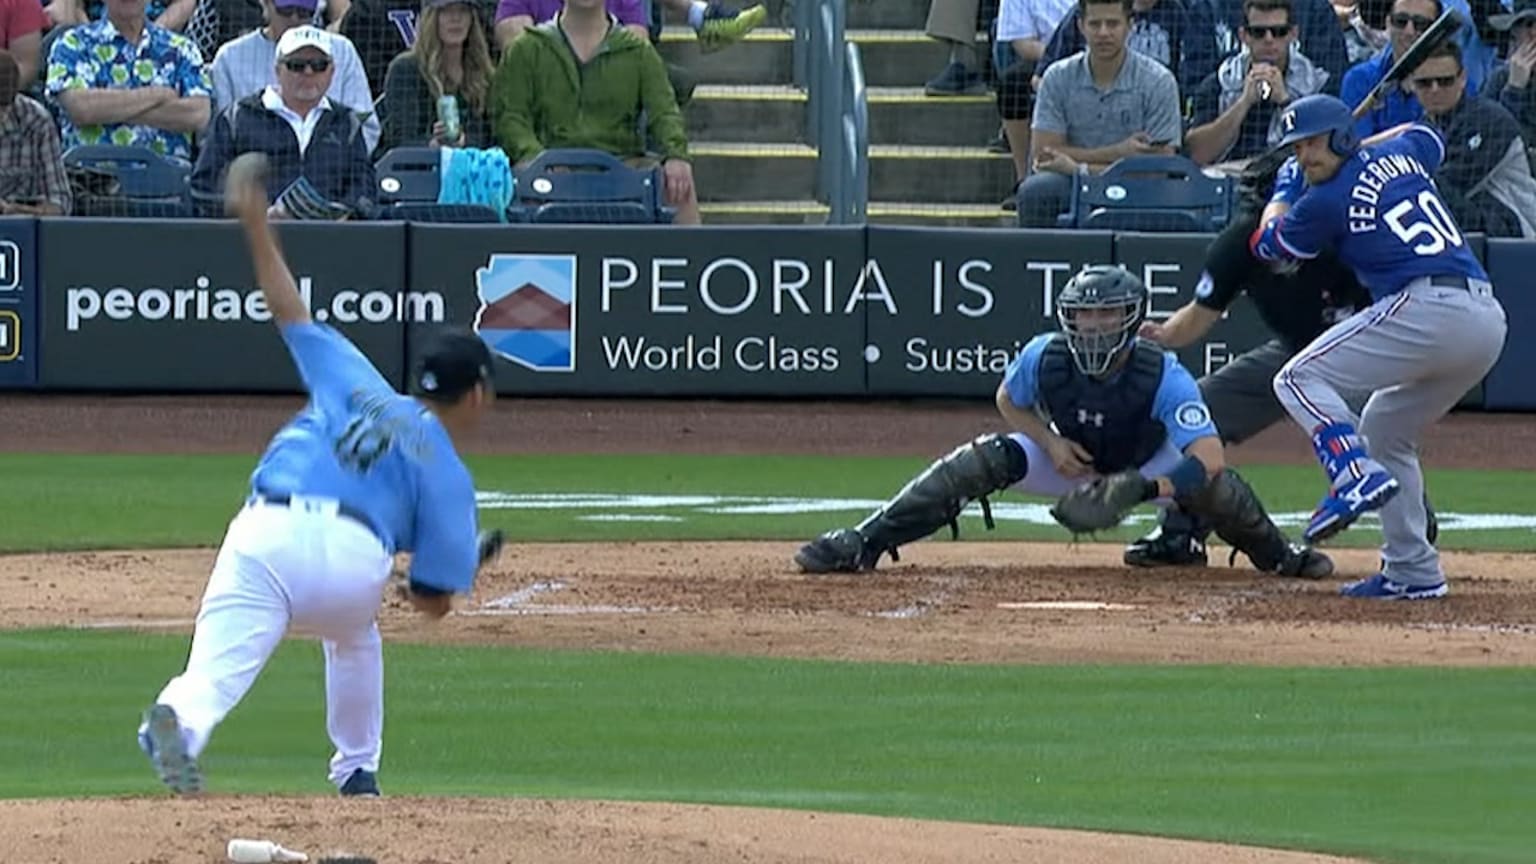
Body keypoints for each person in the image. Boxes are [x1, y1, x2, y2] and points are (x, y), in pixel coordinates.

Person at [137, 151, 500, 796]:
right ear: (474, 396)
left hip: (263, 530)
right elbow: (433, 603)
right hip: (351, 556)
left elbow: (289, 309)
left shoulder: (356, 376)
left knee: (217, 665)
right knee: (355, 637)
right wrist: (423, 589)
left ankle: (182, 721)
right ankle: (356, 770)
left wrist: (254, 222)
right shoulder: (445, 468)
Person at [794, 266, 1332, 582]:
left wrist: (1144, 487)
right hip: (1071, 461)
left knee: (1218, 487)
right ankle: (864, 542)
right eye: (1083, 315)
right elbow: (1009, 399)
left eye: (1106, 314)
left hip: (1145, 466)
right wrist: (1049, 443)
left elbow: (1209, 456)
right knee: (980, 458)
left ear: (1131, 317)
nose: (1093, 326)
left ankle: (1274, 556)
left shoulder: (1162, 371)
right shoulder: (1044, 356)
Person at [1123, 151, 1439, 566]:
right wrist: (1164, 334)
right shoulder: (1240, 244)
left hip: (1359, 358)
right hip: (1292, 356)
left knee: (1380, 440)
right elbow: (1199, 315)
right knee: (1194, 414)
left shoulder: (1345, 229)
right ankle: (1182, 533)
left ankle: (1412, 543)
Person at [1250, 93, 1508, 599]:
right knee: (1384, 425)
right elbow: (1427, 135)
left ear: (1343, 136)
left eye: (1312, 144)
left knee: (1297, 377)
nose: (1304, 157)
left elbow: (1267, 244)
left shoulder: (1321, 200)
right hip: (1484, 321)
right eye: (1297, 150)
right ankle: (1413, 569)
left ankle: (1349, 472)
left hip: (1428, 306)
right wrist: (1352, 146)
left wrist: (1284, 188)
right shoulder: (1405, 153)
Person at [492, 0, 700, 224]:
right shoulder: (528, 48)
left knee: (679, 185)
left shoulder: (638, 51)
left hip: (623, 163)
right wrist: (536, 156)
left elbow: (665, 113)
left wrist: (676, 155)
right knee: (519, 175)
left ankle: (695, 256)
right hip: (547, 165)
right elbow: (511, 117)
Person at [1016, 0, 1184, 228]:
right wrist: (1120, 153)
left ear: (1130, 25)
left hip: (1137, 187)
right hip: (1069, 184)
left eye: (1113, 24)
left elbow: (1159, 168)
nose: (1103, 33)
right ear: (1080, 26)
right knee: (1036, 191)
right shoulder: (1056, 78)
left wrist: (1079, 168)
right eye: (1095, 24)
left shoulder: (1159, 81)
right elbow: (1044, 156)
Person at [192, 26, 376, 218]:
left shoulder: (345, 122)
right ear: (278, 70)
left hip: (329, 239)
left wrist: (342, 216)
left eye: (319, 65)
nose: (308, 72)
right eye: (296, 65)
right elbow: (203, 189)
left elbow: (365, 191)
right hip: (252, 238)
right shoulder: (237, 117)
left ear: (331, 72)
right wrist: (257, 213)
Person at [45, 0, 211, 161]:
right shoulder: (72, 43)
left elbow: (198, 114)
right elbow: (81, 109)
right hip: (90, 181)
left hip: (168, 183)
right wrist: (159, 95)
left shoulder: (181, 49)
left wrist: (106, 111)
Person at [210, 0, 378, 154]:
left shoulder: (342, 51)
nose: (295, 19)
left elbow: (367, 127)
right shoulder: (230, 57)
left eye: (304, 13)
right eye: (286, 11)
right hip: (257, 177)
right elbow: (220, 136)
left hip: (329, 175)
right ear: (266, 4)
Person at [1184, 0, 1335, 166]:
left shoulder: (1316, 83)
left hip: (1293, 179)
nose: (1269, 39)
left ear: (1293, 34)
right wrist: (1243, 103)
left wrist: (1286, 102)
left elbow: (1324, 153)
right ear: (1244, 36)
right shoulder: (1220, 82)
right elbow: (1197, 154)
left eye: (1279, 31)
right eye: (1258, 32)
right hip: (1225, 180)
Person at [1411, 40, 1536, 236]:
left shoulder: (1489, 119)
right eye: (1424, 83)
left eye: (1445, 81)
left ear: (1462, 79)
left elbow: (1443, 188)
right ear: (1412, 84)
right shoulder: (1424, 126)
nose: (1435, 89)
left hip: (1517, 241)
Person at [379, 0, 495, 153]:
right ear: (431, 17)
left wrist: (464, 141)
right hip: (417, 171)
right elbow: (400, 140)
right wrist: (433, 144)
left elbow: (493, 136)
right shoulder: (405, 70)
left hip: (474, 169)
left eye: (463, 10)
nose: (456, 18)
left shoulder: (483, 71)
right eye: (446, 11)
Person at [0, 49, 71, 215]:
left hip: (20, 234)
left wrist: (16, 211)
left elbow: (60, 202)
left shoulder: (36, 121)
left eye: (3, 109)